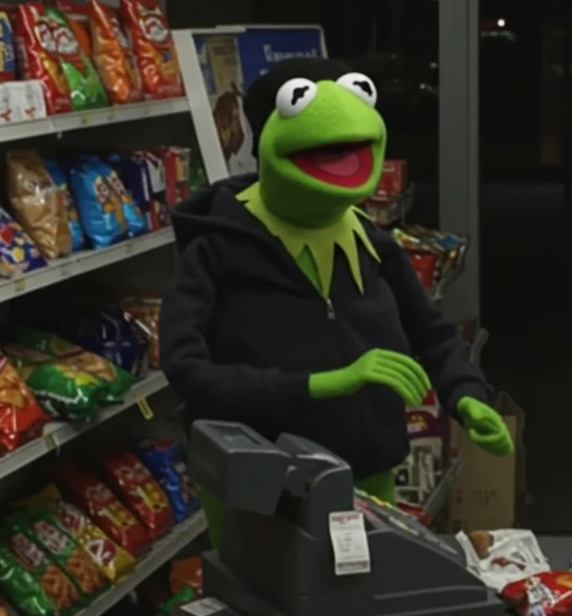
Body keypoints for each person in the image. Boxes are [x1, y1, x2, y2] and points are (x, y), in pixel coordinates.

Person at [161, 58, 513, 544]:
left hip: (366, 472)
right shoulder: (218, 246)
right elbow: (185, 366)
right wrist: (318, 385)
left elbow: (431, 332)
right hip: (255, 479)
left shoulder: (370, 241)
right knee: (267, 603)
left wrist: (467, 395)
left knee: (364, 602)